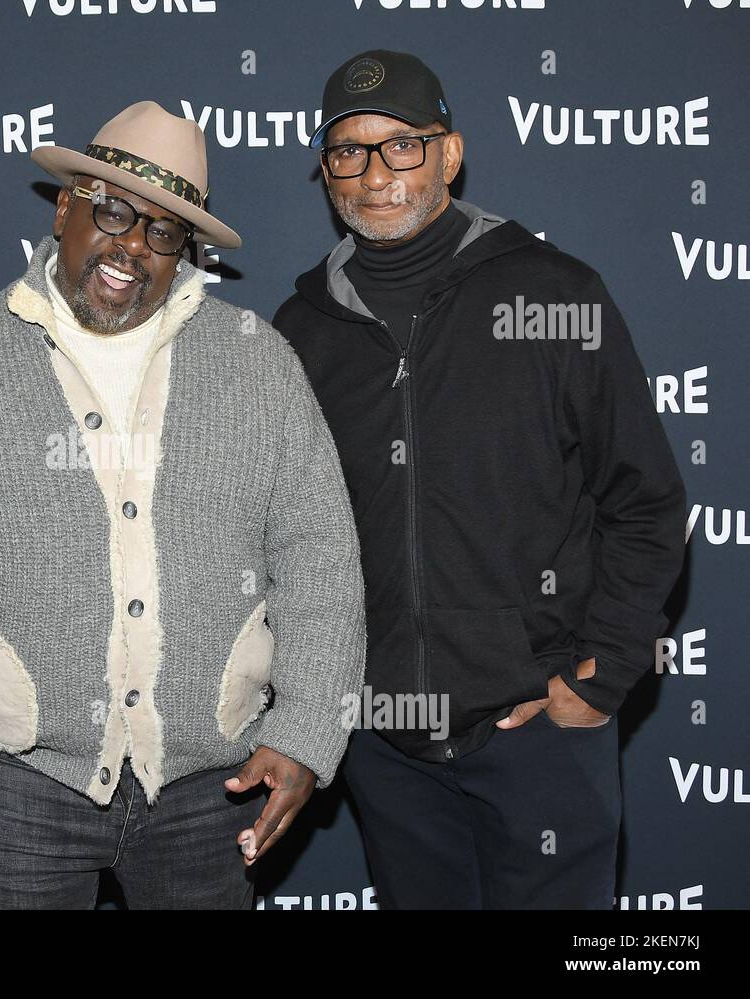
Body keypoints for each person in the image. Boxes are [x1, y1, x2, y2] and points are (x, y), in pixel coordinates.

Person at [0, 101, 366, 909]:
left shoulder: (257, 364)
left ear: (186, 253)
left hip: (211, 785)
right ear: (64, 209)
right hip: (15, 781)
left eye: (164, 231)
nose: (132, 245)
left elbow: (322, 561)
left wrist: (306, 732)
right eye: (114, 211)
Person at [273, 50, 687, 909]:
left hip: (539, 731)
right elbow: (289, 534)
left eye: (403, 146)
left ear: (450, 155)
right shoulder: (302, 328)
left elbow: (645, 502)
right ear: (325, 170)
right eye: (349, 151)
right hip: (386, 746)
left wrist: (597, 680)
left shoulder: (554, 292)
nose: (375, 174)